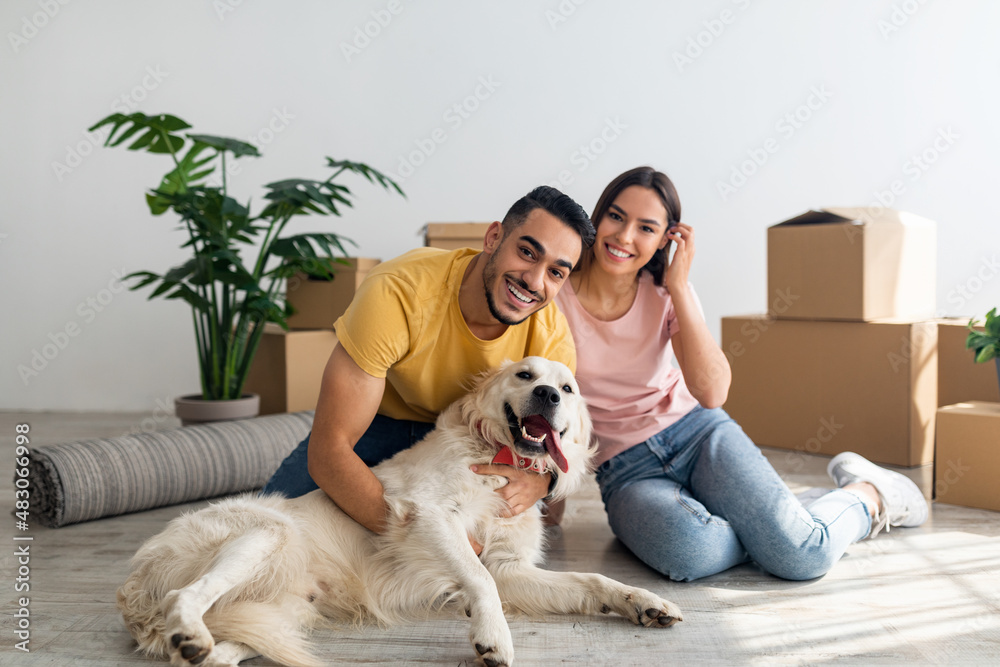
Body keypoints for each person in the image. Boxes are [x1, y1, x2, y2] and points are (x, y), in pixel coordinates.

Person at [553, 166, 928, 581]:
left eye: (646, 227)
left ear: (665, 239)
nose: (624, 237)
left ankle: (868, 495)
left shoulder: (666, 291)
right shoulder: (555, 295)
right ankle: (779, 526)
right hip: (625, 470)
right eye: (617, 217)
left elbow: (712, 393)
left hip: (698, 433)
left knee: (803, 556)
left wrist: (679, 285)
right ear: (598, 215)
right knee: (692, 554)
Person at [263, 185, 596, 536]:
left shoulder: (552, 338)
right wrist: (422, 540)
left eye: (556, 272)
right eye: (527, 252)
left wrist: (542, 484)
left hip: (473, 439)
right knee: (265, 523)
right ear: (494, 237)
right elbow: (330, 451)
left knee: (498, 553)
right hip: (377, 426)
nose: (534, 280)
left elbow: (558, 443)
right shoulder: (398, 291)